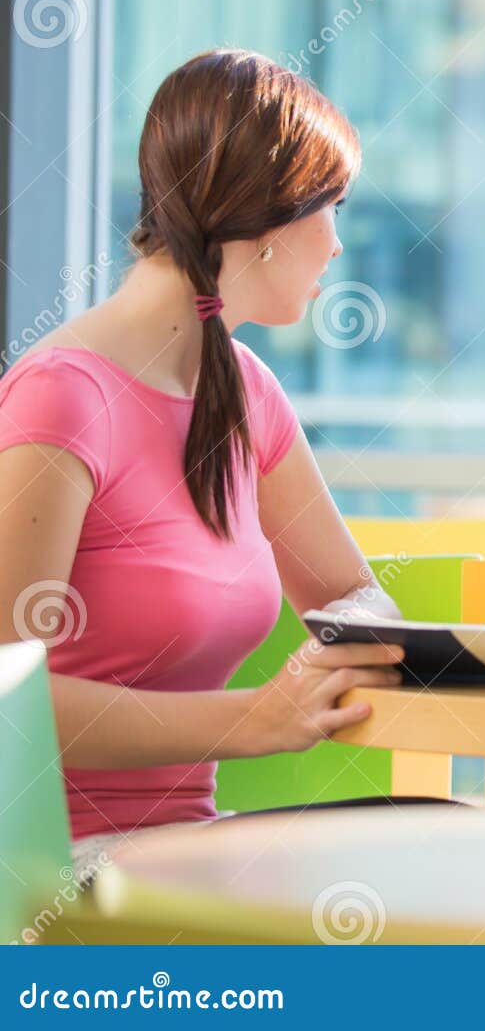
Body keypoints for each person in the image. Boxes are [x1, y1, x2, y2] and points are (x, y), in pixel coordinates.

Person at [0, 50, 409, 876]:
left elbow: (352, 606)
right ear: (266, 218)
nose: (336, 245)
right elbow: (7, 701)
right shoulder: (61, 397)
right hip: (51, 870)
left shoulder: (244, 389)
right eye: (332, 206)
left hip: (181, 851)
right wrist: (251, 719)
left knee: (438, 853)